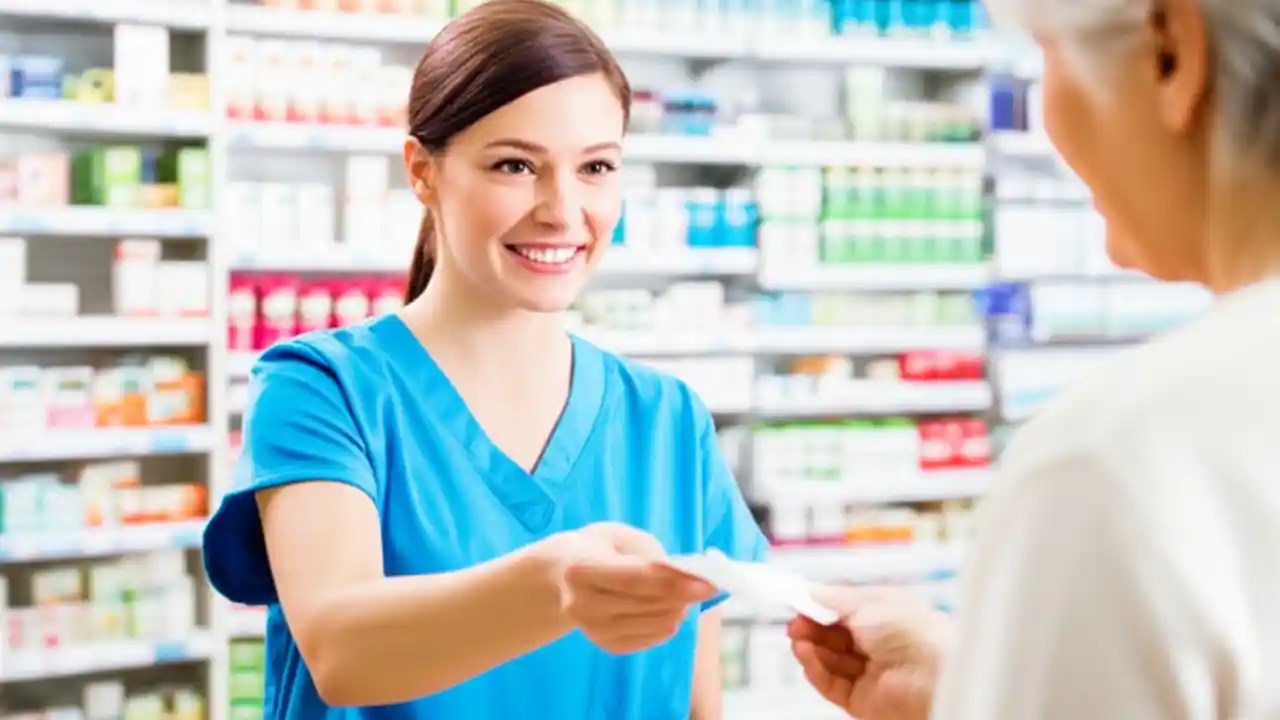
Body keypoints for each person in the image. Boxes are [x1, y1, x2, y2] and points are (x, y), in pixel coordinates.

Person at [201, 2, 767, 718]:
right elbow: (344, 653)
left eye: (596, 166)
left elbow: (696, 704)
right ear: (423, 172)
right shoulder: (324, 391)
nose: (563, 210)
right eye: (515, 165)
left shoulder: (668, 422)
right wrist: (554, 582)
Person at [787, 0, 1280, 718]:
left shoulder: (1115, 464)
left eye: (1050, 57)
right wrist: (982, 686)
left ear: (1171, 54)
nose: (1049, 118)